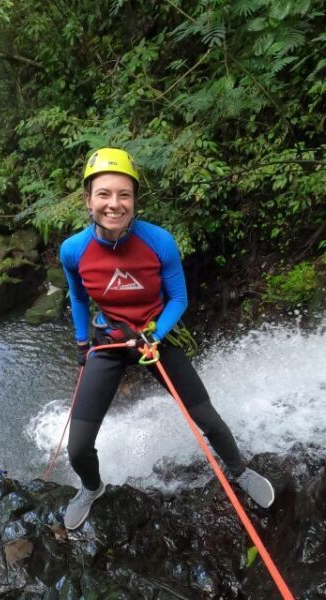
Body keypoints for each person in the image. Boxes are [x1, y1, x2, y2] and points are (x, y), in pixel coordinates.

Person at [59, 147, 274, 530]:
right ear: (88, 200)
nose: (114, 204)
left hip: (155, 338)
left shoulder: (159, 242)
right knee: (77, 447)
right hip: (109, 343)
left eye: (124, 195)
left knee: (206, 417)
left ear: (134, 201)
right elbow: (77, 297)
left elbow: (178, 298)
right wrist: (81, 343)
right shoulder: (74, 251)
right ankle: (92, 488)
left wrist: (154, 333)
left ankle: (240, 470)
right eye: (104, 194)